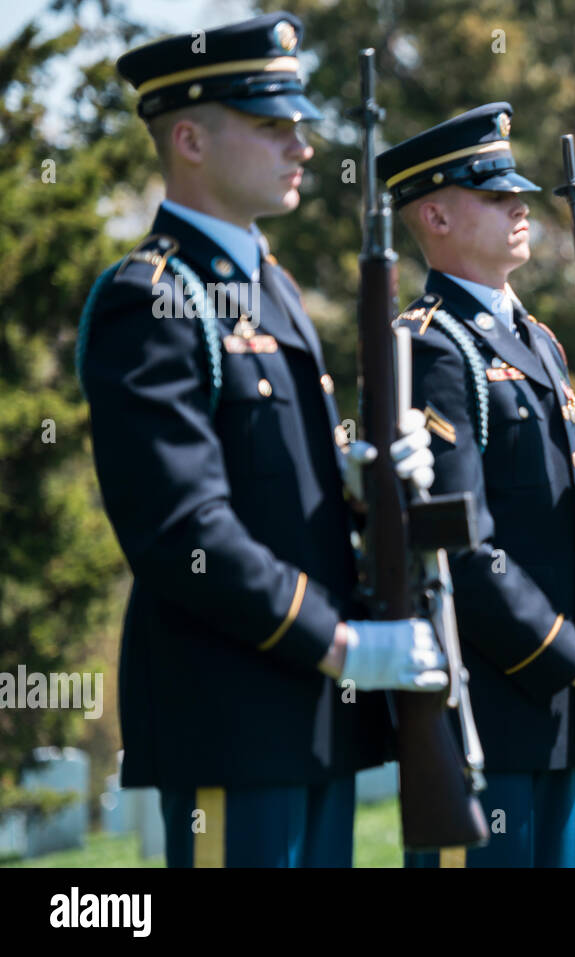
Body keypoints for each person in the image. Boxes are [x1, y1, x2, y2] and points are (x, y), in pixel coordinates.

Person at [80, 12, 443, 867]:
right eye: (271, 125)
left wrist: (360, 483)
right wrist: (344, 642)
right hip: (230, 716)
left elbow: (270, 481)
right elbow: (183, 531)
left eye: (300, 126)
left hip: (314, 718)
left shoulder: (269, 286)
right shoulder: (154, 296)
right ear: (190, 139)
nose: (302, 146)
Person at [377, 103, 575, 868]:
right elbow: (460, 545)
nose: (522, 206)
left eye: (520, 191)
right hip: (488, 701)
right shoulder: (429, 344)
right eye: (495, 196)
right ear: (436, 215)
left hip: (551, 705)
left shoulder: (541, 342)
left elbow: (548, 520)